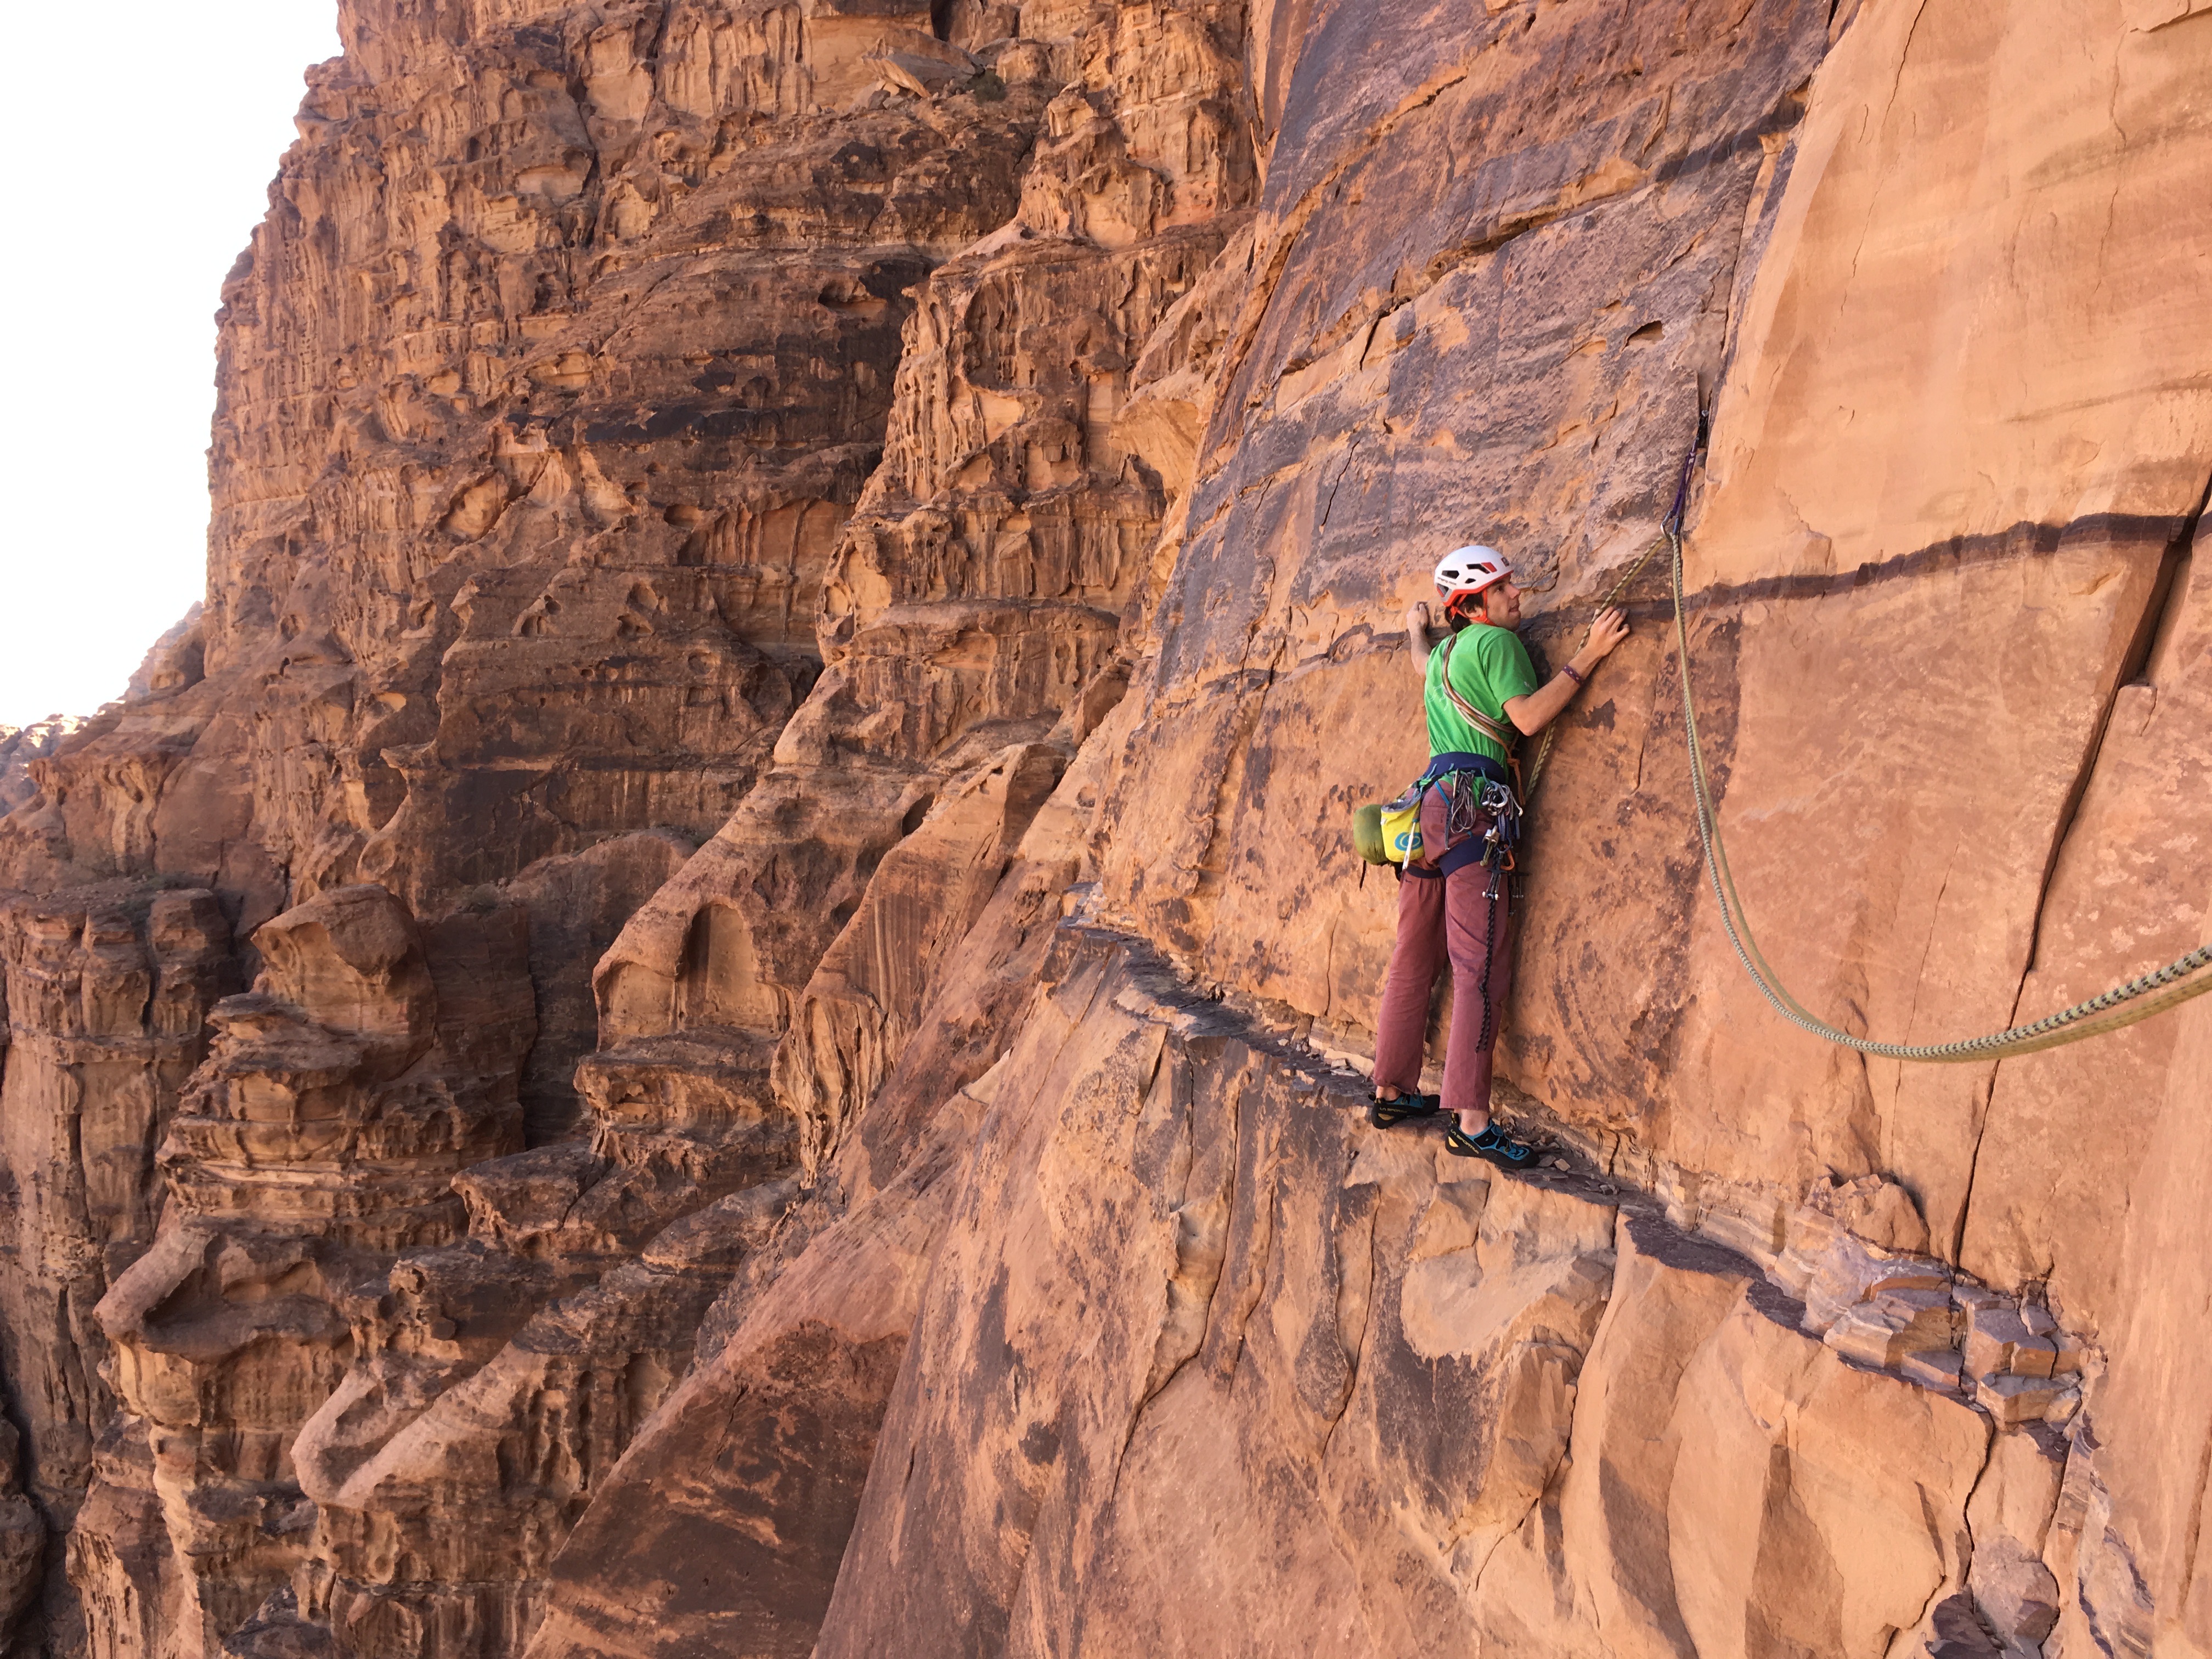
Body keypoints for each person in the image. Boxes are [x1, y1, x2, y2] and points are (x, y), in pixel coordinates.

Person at [1369, 545, 1629, 1166]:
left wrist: (1415, 628)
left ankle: (1390, 1091)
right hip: (1471, 812)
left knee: (1413, 957)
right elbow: (1530, 718)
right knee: (1479, 966)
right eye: (1503, 589)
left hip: (1429, 809)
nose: (1517, 595)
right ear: (1474, 606)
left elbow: (1419, 662)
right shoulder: (1496, 643)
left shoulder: (1445, 654)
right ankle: (1473, 1123)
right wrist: (1591, 653)